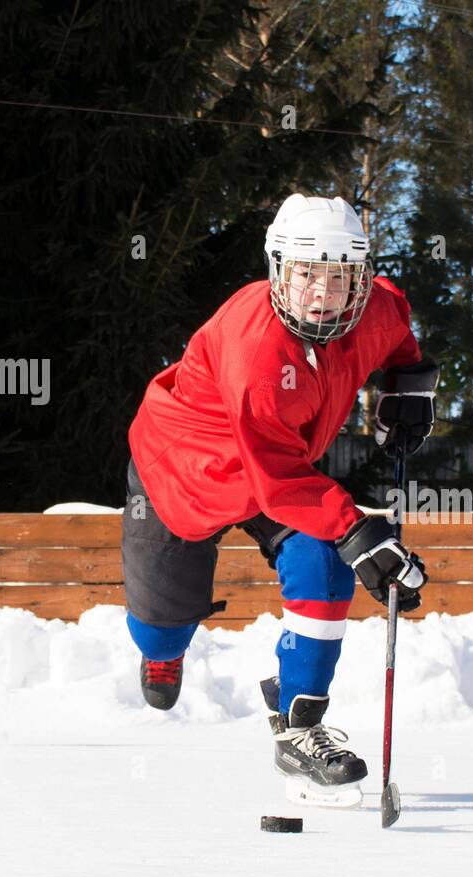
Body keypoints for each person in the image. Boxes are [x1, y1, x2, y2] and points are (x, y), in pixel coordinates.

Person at [121, 194, 437, 792]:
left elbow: (399, 337)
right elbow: (278, 479)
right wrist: (358, 530)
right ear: (279, 274)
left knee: (325, 564)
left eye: (339, 277)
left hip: (280, 461)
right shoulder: (259, 354)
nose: (323, 292)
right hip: (190, 469)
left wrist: (408, 388)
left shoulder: (376, 310)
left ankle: (298, 724)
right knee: (162, 626)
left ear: (360, 279)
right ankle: (162, 646)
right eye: (306, 274)